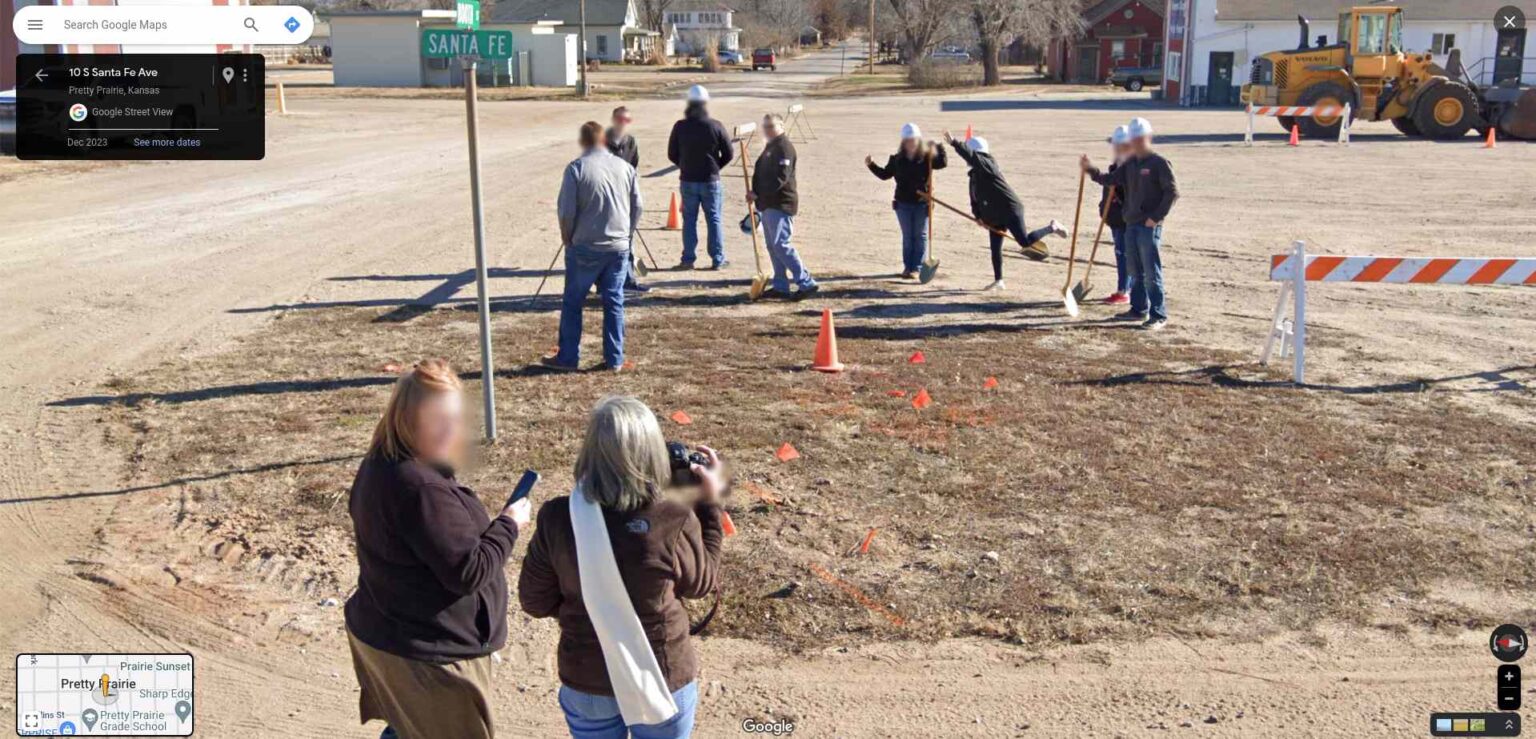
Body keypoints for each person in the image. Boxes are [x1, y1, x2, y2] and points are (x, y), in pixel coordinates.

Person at [519, 396, 727, 739]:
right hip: (662, 678)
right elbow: (702, 584)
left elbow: (535, 601)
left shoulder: (558, 517)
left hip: (587, 677)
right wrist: (709, 505)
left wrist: (596, 610)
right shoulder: (673, 517)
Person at [344, 360, 533, 739]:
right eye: (438, 418)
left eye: (456, 417)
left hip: (388, 634)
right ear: (408, 417)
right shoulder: (421, 489)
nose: (452, 430)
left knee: (407, 730)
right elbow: (470, 571)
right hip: (430, 658)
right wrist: (509, 523)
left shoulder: (380, 462)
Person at [546, 122, 643, 372]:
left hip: (585, 247)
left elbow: (566, 211)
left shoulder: (576, 169)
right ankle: (615, 359)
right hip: (618, 247)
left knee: (573, 302)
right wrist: (627, 234)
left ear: (584, 141)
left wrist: (567, 237)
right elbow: (638, 206)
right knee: (614, 301)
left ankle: (568, 358)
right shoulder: (625, 167)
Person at [1081, 116, 1177, 330]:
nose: (1136, 142)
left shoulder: (1159, 163)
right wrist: (1092, 171)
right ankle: (1138, 309)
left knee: (1151, 272)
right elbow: (1111, 179)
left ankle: (1158, 314)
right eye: (1134, 139)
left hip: (1148, 226)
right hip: (1131, 223)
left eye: (1140, 138)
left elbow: (1172, 192)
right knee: (1135, 270)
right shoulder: (1131, 164)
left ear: (1148, 137)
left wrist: (1156, 217)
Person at [944, 130, 1066, 291]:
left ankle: (1053, 227)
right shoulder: (974, 175)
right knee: (995, 249)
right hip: (994, 215)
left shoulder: (989, 165)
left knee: (1025, 242)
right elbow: (974, 199)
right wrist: (979, 216)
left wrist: (955, 144)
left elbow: (973, 157)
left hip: (1010, 209)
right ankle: (999, 280)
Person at [748, 113, 818, 299]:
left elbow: (780, 178)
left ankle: (806, 282)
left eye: (771, 126)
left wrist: (758, 193)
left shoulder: (784, 148)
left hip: (780, 203)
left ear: (781, 126)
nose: (768, 130)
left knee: (781, 244)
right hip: (767, 204)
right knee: (772, 246)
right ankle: (780, 285)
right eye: (766, 127)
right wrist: (755, 194)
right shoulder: (771, 146)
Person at [865, 122, 947, 279]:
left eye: (914, 139)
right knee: (908, 236)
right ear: (903, 142)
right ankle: (907, 267)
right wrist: (871, 165)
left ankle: (916, 268)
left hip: (922, 203)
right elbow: (884, 175)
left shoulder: (926, 158)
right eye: (908, 140)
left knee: (920, 235)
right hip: (903, 203)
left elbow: (942, 163)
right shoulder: (896, 160)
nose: (911, 143)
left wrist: (939, 147)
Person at [666, 85, 734, 270]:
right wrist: (714, 168)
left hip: (688, 180)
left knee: (689, 220)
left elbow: (672, 154)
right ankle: (718, 259)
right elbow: (729, 153)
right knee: (714, 219)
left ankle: (688, 260)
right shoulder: (716, 125)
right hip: (711, 181)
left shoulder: (680, 126)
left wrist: (686, 166)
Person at [1083, 125, 1133, 306]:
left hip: (1126, 219)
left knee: (1125, 255)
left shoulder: (1131, 166)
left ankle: (1125, 291)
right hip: (1115, 219)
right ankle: (1126, 289)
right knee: (1122, 254)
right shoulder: (1116, 165)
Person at [606, 106, 648, 294]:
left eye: (627, 120)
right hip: (606, 199)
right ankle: (603, 283)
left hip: (625, 199)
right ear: (614, 120)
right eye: (620, 119)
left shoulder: (631, 142)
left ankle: (629, 279)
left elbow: (633, 166)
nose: (623, 123)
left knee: (628, 240)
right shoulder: (602, 140)